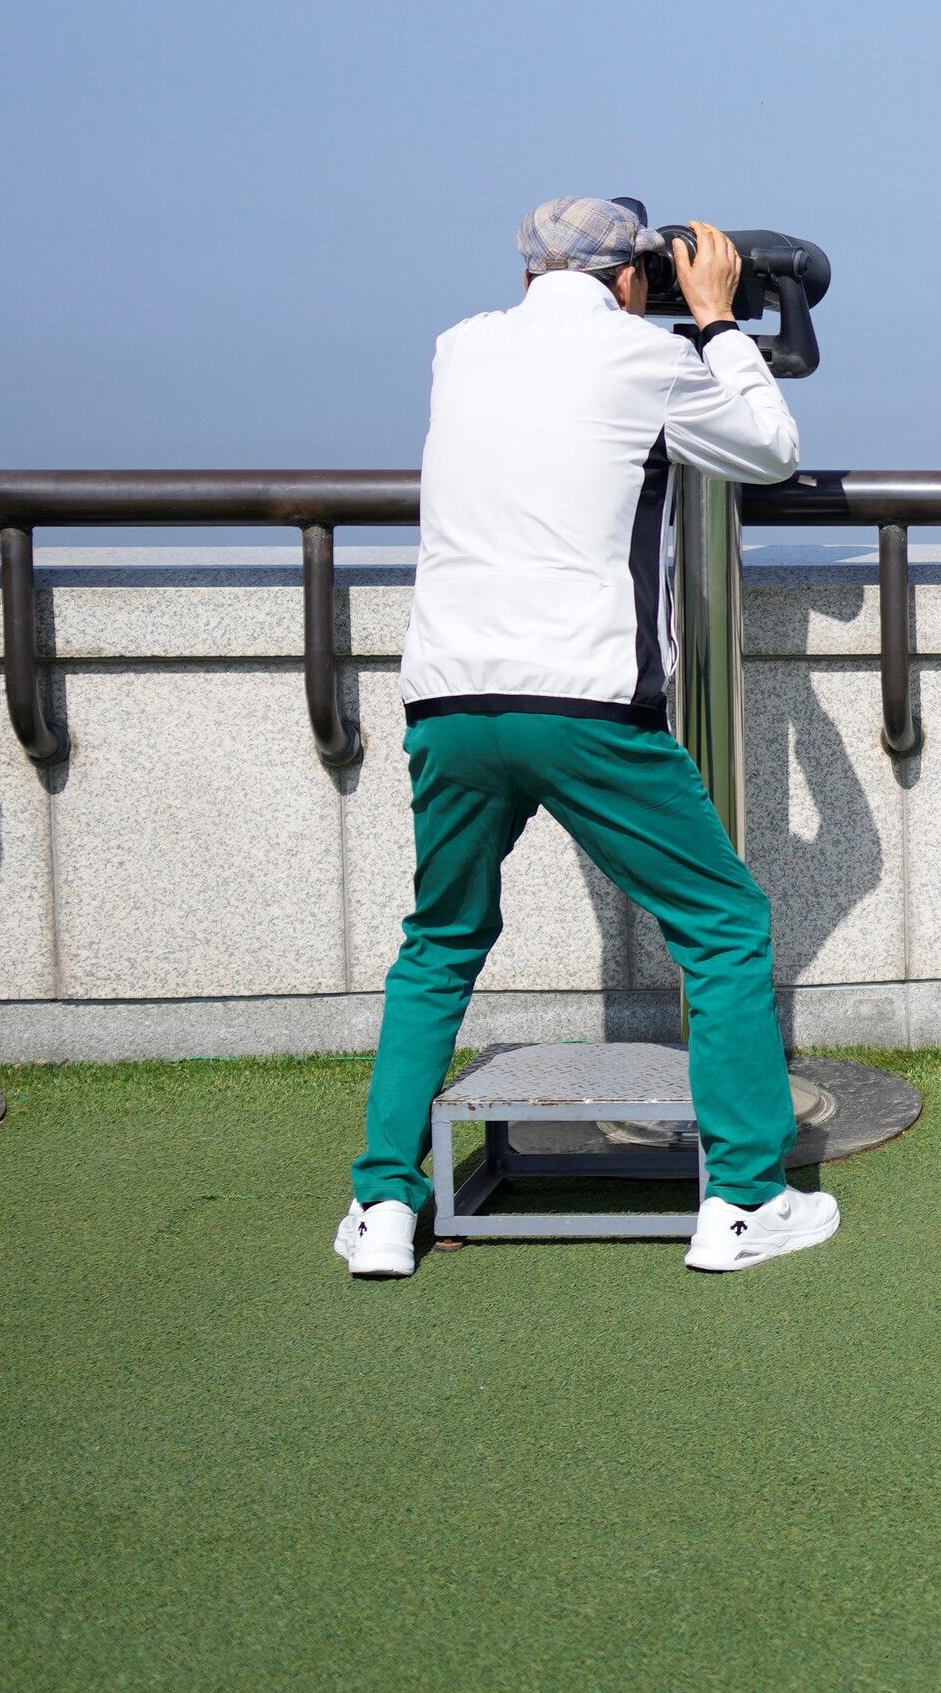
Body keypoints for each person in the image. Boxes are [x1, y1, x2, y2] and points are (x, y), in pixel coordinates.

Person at [336, 197, 835, 1278]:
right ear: (632, 281)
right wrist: (713, 321)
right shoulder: (639, 356)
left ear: (527, 273)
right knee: (722, 921)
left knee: (441, 939)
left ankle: (382, 1204)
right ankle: (746, 1200)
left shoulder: (459, 349)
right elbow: (769, 449)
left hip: (449, 701)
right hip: (586, 706)